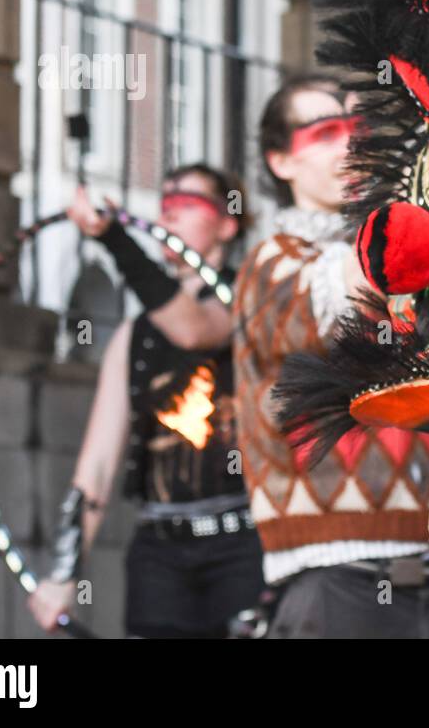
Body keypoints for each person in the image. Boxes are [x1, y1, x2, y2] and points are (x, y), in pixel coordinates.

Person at [233, 73, 429, 638]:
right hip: (336, 578)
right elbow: (346, 294)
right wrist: (419, 178)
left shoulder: (412, 244)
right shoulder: (272, 260)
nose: (350, 144)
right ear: (280, 161)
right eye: (324, 131)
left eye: (358, 129)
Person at [28, 164, 264, 638]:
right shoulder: (133, 338)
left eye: (189, 204)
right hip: (160, 552)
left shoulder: (251, 300)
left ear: (227, 223)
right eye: (165, 203)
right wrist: (64, 572)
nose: (170, 213)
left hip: (243, 545)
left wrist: (115, 238)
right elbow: (96, 464)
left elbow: (195, 328)